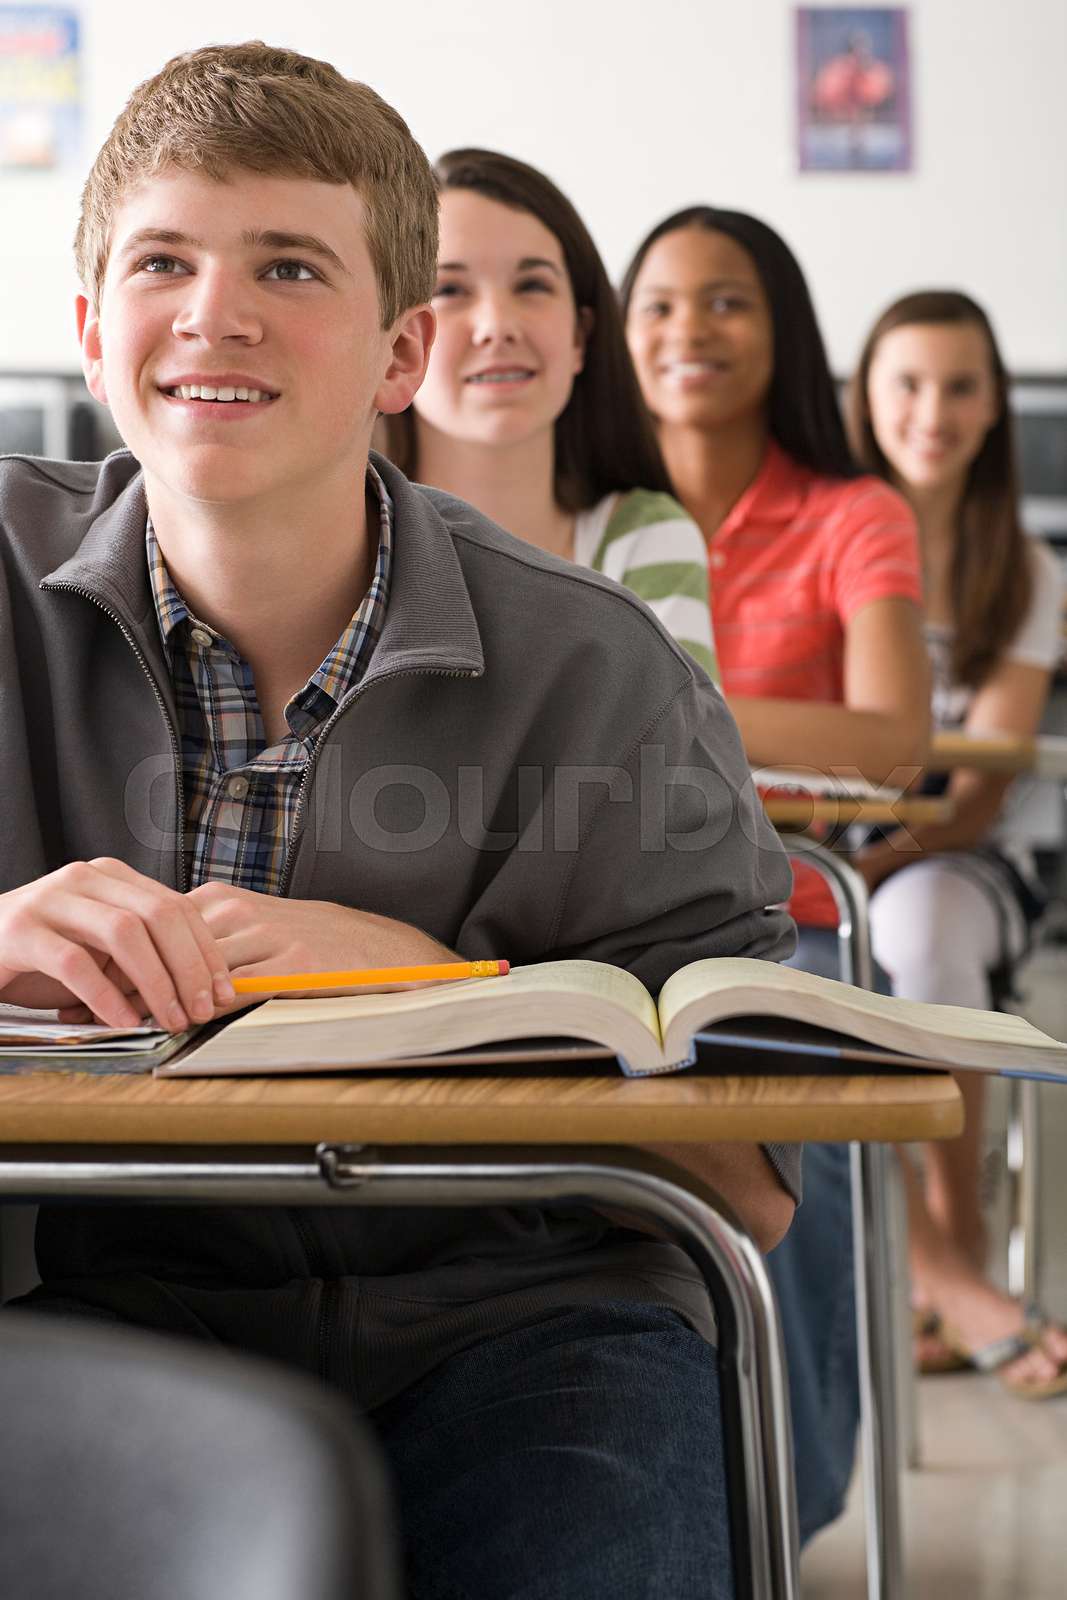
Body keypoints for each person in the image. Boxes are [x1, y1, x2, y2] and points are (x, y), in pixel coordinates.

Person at [0, 43, 800, 1600]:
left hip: (532, 1323)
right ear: (95, 327)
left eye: (287, 266)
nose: (214, 314)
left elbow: (756, 1179)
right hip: (103, 1298)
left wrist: (436, 992)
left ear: (398, 352)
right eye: (163, 261)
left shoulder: (601, 665)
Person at [621, 206, 930, 1542]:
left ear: (781, 326)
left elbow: (889, 738)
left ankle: (782, 1529)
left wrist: (650, 708)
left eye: (724, 301)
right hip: (600, 941)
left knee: (775, 1189)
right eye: (658, 305)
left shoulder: (850, 510)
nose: (687, 329)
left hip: (786, 931)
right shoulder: (604, 513)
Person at [849, 289, 1067, 1398]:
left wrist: (863, 866)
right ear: (863, 399)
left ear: (991, 412)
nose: (929, 409)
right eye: (905, 382)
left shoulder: (1022, 570)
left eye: (958, 385)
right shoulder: (828, 535)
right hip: (815, 851)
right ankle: (933, 1272)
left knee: (913, 921)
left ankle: (955, 1240)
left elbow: (979, 788)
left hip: (955, 862)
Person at [379, 147, 716, 679]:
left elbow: (674, 753)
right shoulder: (336, 539)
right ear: (398, 341)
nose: (498, 325)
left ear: (581, 335)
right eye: (450, 289)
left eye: (532, 285)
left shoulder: (646, 537)